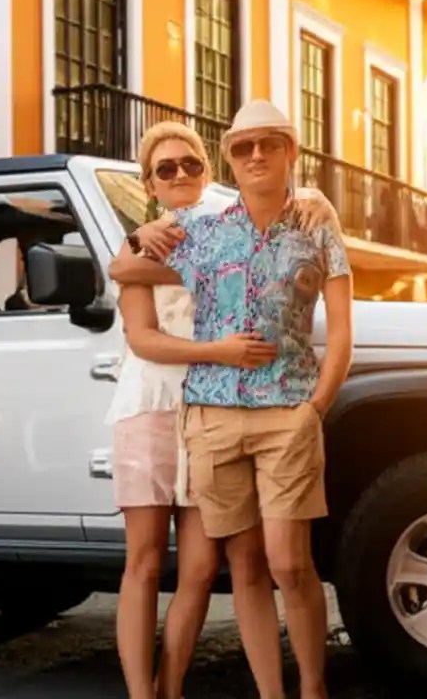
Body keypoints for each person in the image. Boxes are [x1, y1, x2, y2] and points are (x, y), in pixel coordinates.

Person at [115, 102, 354, 699]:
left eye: (266, 145)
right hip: (190, 411)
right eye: (242, 147)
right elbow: (127, 282)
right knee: (203, 563)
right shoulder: (194, 235)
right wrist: (136, 235)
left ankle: (303, 687)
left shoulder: (285, 222)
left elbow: (340, 324)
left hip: (267, 412)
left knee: (263, 563)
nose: (254, 156)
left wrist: (313, 409)